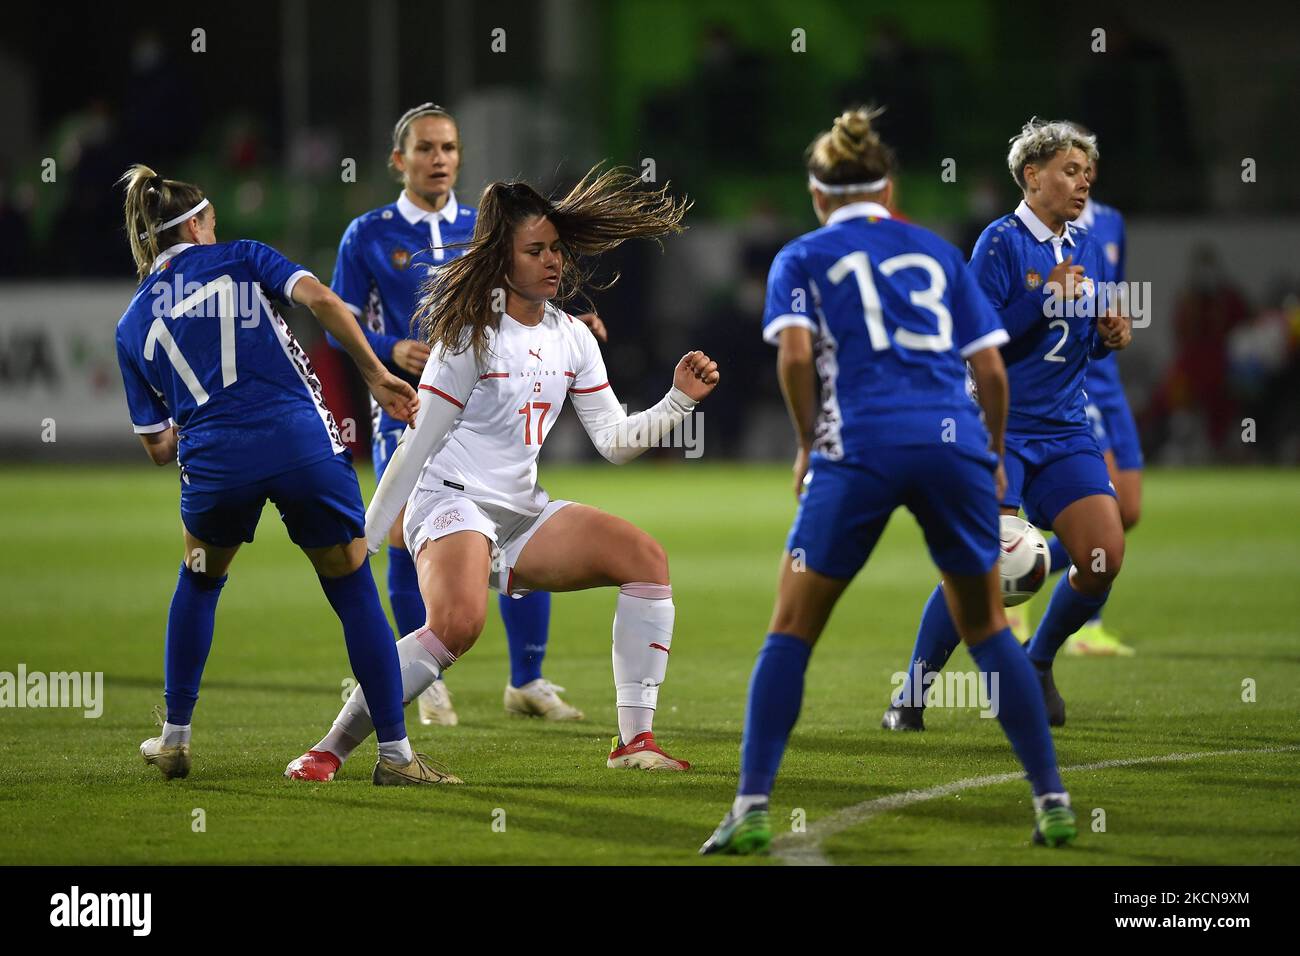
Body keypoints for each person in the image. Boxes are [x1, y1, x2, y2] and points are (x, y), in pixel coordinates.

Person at [700, 108, 1077, 855]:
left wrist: (808, 446)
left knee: (790, 629)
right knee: (988, 628)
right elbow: (991, 367)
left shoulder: (799, 257)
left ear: (817, 194)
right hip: (953, 446)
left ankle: (750, 807)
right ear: (890, 186)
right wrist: (993, 452)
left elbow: (798, 359)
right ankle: (1053, 801)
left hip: (860, 447)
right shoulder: (935, 251)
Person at [285, 166, 717, 783]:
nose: (553, 263)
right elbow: (416, 445)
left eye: (556, 250)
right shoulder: (469, 336)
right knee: (458, 625)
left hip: (520, 509)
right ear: (502, 259)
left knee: (646, 558)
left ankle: (635, 739)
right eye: (535, 250)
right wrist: (367, 540)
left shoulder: (572, 336)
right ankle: (329, 750)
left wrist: (677, 401)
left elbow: (615, 442)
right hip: (450, 499)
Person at [115, 164, 454, 785]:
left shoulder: (131, 323)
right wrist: (376, 375)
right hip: (301, 444)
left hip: (216, 465)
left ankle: (174, 740)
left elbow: (160, 447)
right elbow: (324, 300)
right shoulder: (242, 256)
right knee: (352, 589)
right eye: (211, 221)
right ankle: (397, 757)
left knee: (199, 583)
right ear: (195, 225)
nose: (216, 230)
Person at [328, 103, 602, 725]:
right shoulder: (367, 235)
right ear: (400, 161)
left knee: (517, 524)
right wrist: (387, 348)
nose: (439, 160)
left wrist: (567, 325)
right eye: (425, 149)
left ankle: (527, 679)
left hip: (486, 406)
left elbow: (524, 293)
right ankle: (425, 678)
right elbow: (340, 321)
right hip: (408, 401)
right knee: (404, 536)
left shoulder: (484, 230)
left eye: (448, 148)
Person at [881, 118, 1131, 734]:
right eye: (1070, 172)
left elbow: (1073, 343)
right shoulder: (998, 243)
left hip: (1067, 431)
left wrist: (1107, 337)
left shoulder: (1087, 245)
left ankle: (1037, 662)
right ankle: (911, 694)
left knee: (1103, 555)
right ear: (1032, 175)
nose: (1082, 185)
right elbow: (974, 340)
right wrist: (1042, 294)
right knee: (982, 570)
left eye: (1088, 175)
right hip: (999, 431)